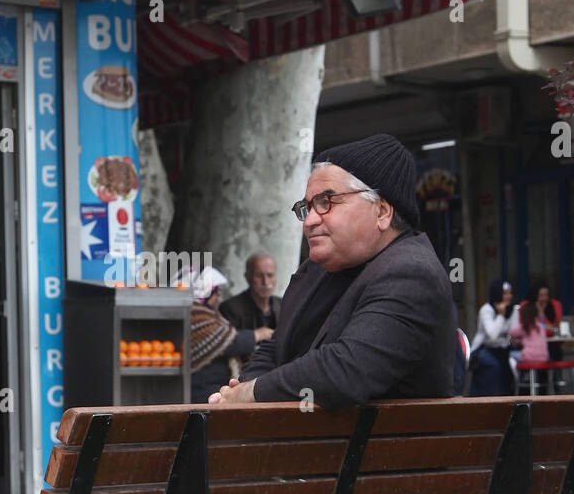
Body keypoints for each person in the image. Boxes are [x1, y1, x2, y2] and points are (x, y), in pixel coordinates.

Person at [207, 134, 455, 409]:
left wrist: (252, 392)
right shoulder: (319, 268)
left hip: (380, 449)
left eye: (327, 202)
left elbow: (346, 371)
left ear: (382, 212)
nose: (310, 221)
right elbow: (276, 347)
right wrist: (240, 392)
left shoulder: (411, 274)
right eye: (307, 207)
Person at [189, 266, 271, 403]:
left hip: (213, 386)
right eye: (216, 292)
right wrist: (258, 334)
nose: (218, 297)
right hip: (203, 389)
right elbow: (230, 342)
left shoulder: (207, 312)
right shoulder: (195, 314)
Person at [468, 279, 515, 396]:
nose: (509, 296)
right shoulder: (486, 310)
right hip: (483, 349)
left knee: (510, 369)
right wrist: (501, 315)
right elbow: (492, 335)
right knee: (494, 367)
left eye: (510, 293)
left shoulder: (512, 309)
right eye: (505, 293)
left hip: (503, 349)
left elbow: (514, 331)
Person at [219, 253, 281, 332]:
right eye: (258, 275)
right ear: (247, 277)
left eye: (270, 275)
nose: (265, 282)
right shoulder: (230, 309)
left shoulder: (283, 305)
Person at [510, 295, 550, 391]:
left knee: (510, 356)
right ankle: (527, 378)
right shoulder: (541, 326)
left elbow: (511, 332)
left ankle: (517, 380)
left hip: (529, 356)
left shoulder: (524, 326)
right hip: (544, 357)